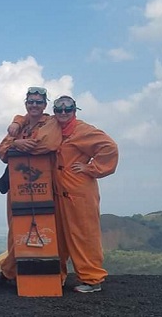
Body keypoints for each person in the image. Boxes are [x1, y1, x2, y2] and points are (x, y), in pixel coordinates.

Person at [47, 95, 118, 292]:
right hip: (58, 192)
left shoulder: (83, 130)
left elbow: (109, 147)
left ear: (74, 111)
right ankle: (56, 277)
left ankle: (92, 280)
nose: (62, 113)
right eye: (58, 110)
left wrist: (91, 168)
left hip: (79, 191)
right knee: (58, 237)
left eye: (67, 110)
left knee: (84, 234)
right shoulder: (52, 127)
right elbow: (29, 118)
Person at [0, 87, 63, 286]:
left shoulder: (50, 123)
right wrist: (16, 142)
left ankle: (39, 274)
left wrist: (19, 144)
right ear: (26, 105)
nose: (35, 105)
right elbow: (2, 151)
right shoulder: (19, 126)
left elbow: (48, 144)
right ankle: (12, 272)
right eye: (31, 102)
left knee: (45, 229)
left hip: (43, 187)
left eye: (39, 102)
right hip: (18, 186)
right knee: (16, 229)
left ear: (45, 105)